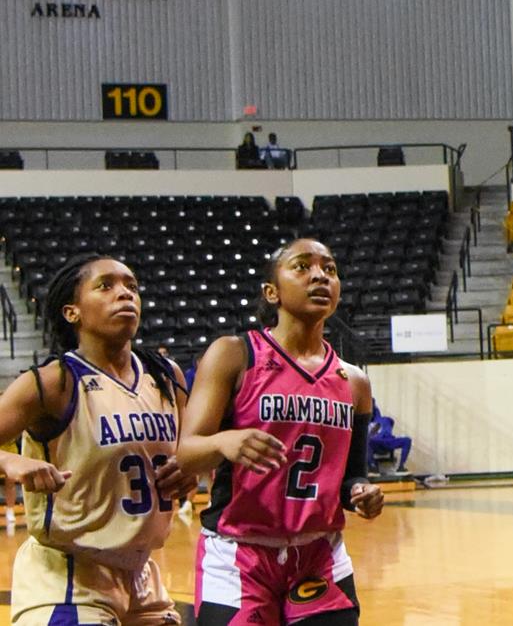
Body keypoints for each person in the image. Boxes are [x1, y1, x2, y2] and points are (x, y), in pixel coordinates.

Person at [178, 239, 387, 626]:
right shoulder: (234, 355)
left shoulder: (354, 381)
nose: (320, 276)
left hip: (318, 555)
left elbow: (350, 476)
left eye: (330, 269)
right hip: (238, 553)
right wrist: (226, 442)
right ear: (271, 292)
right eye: (302, 266)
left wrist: (360, 492)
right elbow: (185, 453)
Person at [0, 255, 190, 626]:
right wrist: (10, 462)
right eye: (106, 286)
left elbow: (189, 451)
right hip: (68, 577)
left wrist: (189, 468)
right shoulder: (52, 382)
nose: (124, 294)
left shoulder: (165, 376)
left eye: (131, 286)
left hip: (143, 575)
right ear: (72, 312)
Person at [368, 408, 412, 473]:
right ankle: (372, 466)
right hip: (374, 444)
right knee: (367, 442)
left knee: (407, 440)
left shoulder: (385, 419)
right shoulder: (365, 423)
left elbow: (391, 422)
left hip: (388, 441)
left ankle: (401, 467)